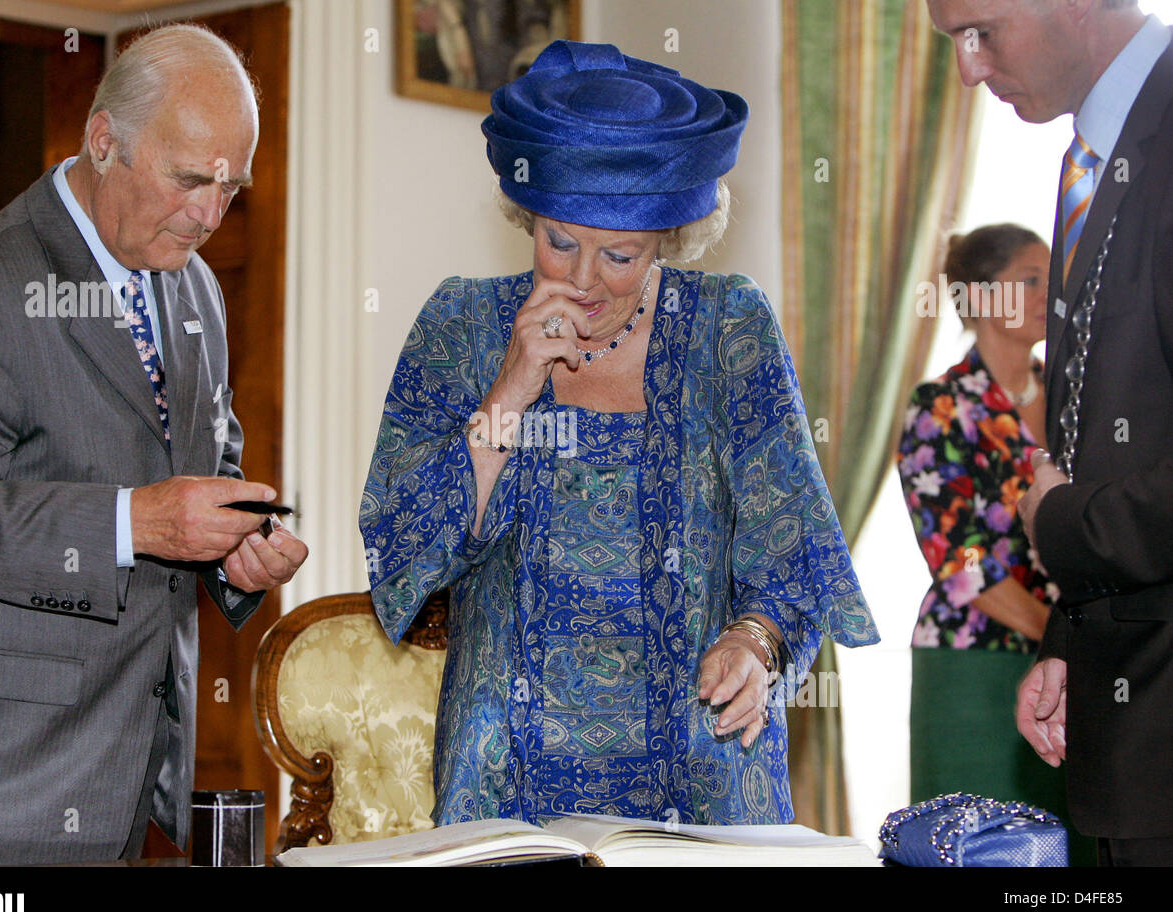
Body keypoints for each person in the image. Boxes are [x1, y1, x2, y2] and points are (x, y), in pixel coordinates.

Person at [360, 40, 878, 826]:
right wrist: (512, 387)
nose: (583, 279)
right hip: (506, 774)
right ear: (526, 214)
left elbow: (792, 546)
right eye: (559, 241)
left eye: (622, 254)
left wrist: (756, 640)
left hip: (701, 771)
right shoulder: (462, 324)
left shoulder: (729, 327)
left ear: (670, 237)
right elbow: (399, 549)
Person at [0, 24, 307, 866]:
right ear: (104, 142)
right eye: (189, 180)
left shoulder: (199, 293)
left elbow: (204, 464)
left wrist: (235, 548)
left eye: (231, 188)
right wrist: (133, 522)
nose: (209, 215)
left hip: (121, 786)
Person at [929, 0, 1173, 865]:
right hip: (1116, 731)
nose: (967, 69)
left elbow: (1072, 497)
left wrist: (1063, 529)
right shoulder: (1093, 157)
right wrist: (1074, 637)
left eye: (979, 31)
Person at [898, 225, 1090, 858]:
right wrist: (1062, 638)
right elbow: (962, 560)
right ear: (979, 297)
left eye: (1049, 278)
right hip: (975, 667)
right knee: (977, 849)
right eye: (1029, 279)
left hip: (1073, 666)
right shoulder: (942, 406)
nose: (1046, 292)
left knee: (1077, 856)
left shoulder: (1077, 403)